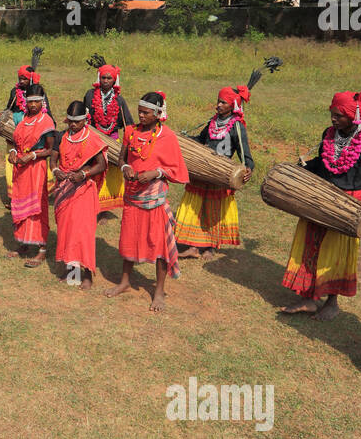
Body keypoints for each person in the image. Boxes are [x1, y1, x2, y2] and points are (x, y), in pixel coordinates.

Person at [280, 89, 361, 321]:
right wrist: (301, 167)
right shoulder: (330, 134)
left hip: (348, 208)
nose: (333, 119)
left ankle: (332, 303)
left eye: (339, 115)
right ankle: (310, 299)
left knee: (336, 254)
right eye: (332, 113)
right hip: (320, 198)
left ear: (354, 117)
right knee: (311, 244)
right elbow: (324, 163)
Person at [107, 92, 189, 311]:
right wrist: (125, 168)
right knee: (128, 238)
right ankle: (124, 281)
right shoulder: (131, 132)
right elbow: (122, 158)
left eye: (146, 112)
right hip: (132, 196)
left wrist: (155, 173)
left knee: (159, 243)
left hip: (154, 199)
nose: (141, 116)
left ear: (159, 113)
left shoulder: (167, 136)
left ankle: (159, 291)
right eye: (140, 111)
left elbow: (176, 169)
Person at [175, 84, 255, 258]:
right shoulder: (212, 121)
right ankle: (194, 246)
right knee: (198, 207)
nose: (218, 105)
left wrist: (249, 167)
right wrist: (185, 139)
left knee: (213, 209)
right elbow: (200, 139)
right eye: (218, 102)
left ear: (232, 105)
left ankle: (210, 246)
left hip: (220, 173)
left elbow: (244, 152)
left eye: (223, 103)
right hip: (203, 170)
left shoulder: (237, 126)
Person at [52, 100, 109, 288]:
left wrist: (83, 174)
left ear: (86, 120)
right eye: (71, 121)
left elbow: (101, 165)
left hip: (83, 190)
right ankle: (71, 271)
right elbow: (54, 159)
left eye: (77, 121)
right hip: (64, 190)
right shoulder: (61, 136)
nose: (73, 125)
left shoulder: (92, 139)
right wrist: (55, 171)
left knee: (82, 233)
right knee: (66, 231)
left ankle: (86, 274)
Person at [6, 84, 55, 267]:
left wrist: (32, 155)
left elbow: (50, 149)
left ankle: (42, 249)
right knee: (21, 203)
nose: (33, 105)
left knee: (37, 207)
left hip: (36, 168)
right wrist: (12, 151)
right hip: (20, 168)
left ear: (42, 102)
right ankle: (24, 243)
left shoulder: (46, 121)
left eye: (37, 102)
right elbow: (12, 139)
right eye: (30, 102)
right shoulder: (23, 118)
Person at [84, 62, 132, 212]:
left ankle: (104, 209)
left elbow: (128, 124)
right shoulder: (90, 95)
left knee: (110, 174)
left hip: (112, 141)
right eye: (103, 78)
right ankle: (91, 203)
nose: (105, 81)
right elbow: (84, 117)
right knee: (94, 170)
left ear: (114, 80)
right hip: (94, 140)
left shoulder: (119, 100)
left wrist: (129, 145)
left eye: (109, 78)